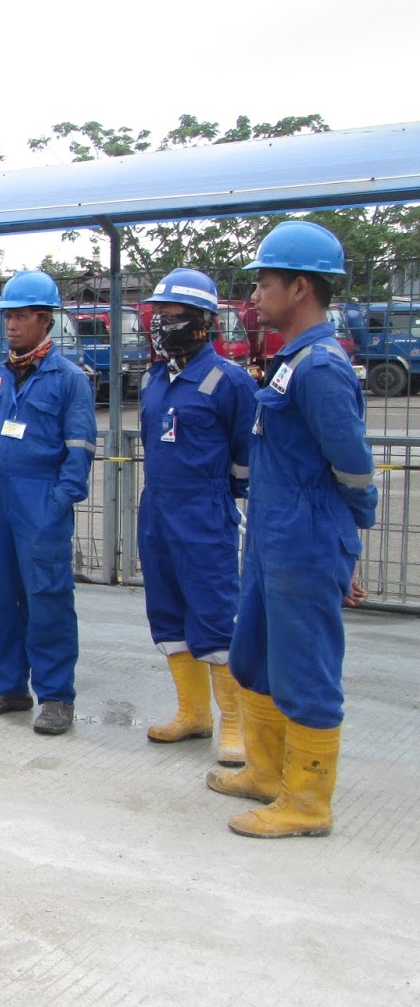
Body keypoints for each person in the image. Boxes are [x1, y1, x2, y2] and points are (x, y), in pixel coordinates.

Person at [208, 221, 377, 838]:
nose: (254, 296)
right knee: (255, 652)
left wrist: (348, 542)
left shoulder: (321, 368)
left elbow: (354, 467)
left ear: (300, 287)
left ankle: (307, 802)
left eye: (264, 283)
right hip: (273, 536)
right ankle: (264, 769)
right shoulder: (290, 361)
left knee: (305, 665)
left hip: (305, 537)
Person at [0, 271, 97, 735]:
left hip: (40, 500)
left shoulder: (69, 379)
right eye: (8, 317)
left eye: (21, 316)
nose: (12, 325)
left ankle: (57, 696)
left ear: (45, 320)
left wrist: (60, 501)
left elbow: (79, 448)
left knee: (47, 599)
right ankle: (9, 688)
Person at [136, 269, 254, 763]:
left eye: (174, 316)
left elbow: (245, 457)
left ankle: (235, 725)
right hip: (157, 508)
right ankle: (193, 713)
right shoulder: (153, 379)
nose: (162, 324)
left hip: (204, 512)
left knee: (214, 614)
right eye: (158, 315)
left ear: (204, 322)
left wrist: (215, 497)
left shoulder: (230, 381)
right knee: (167, 612)